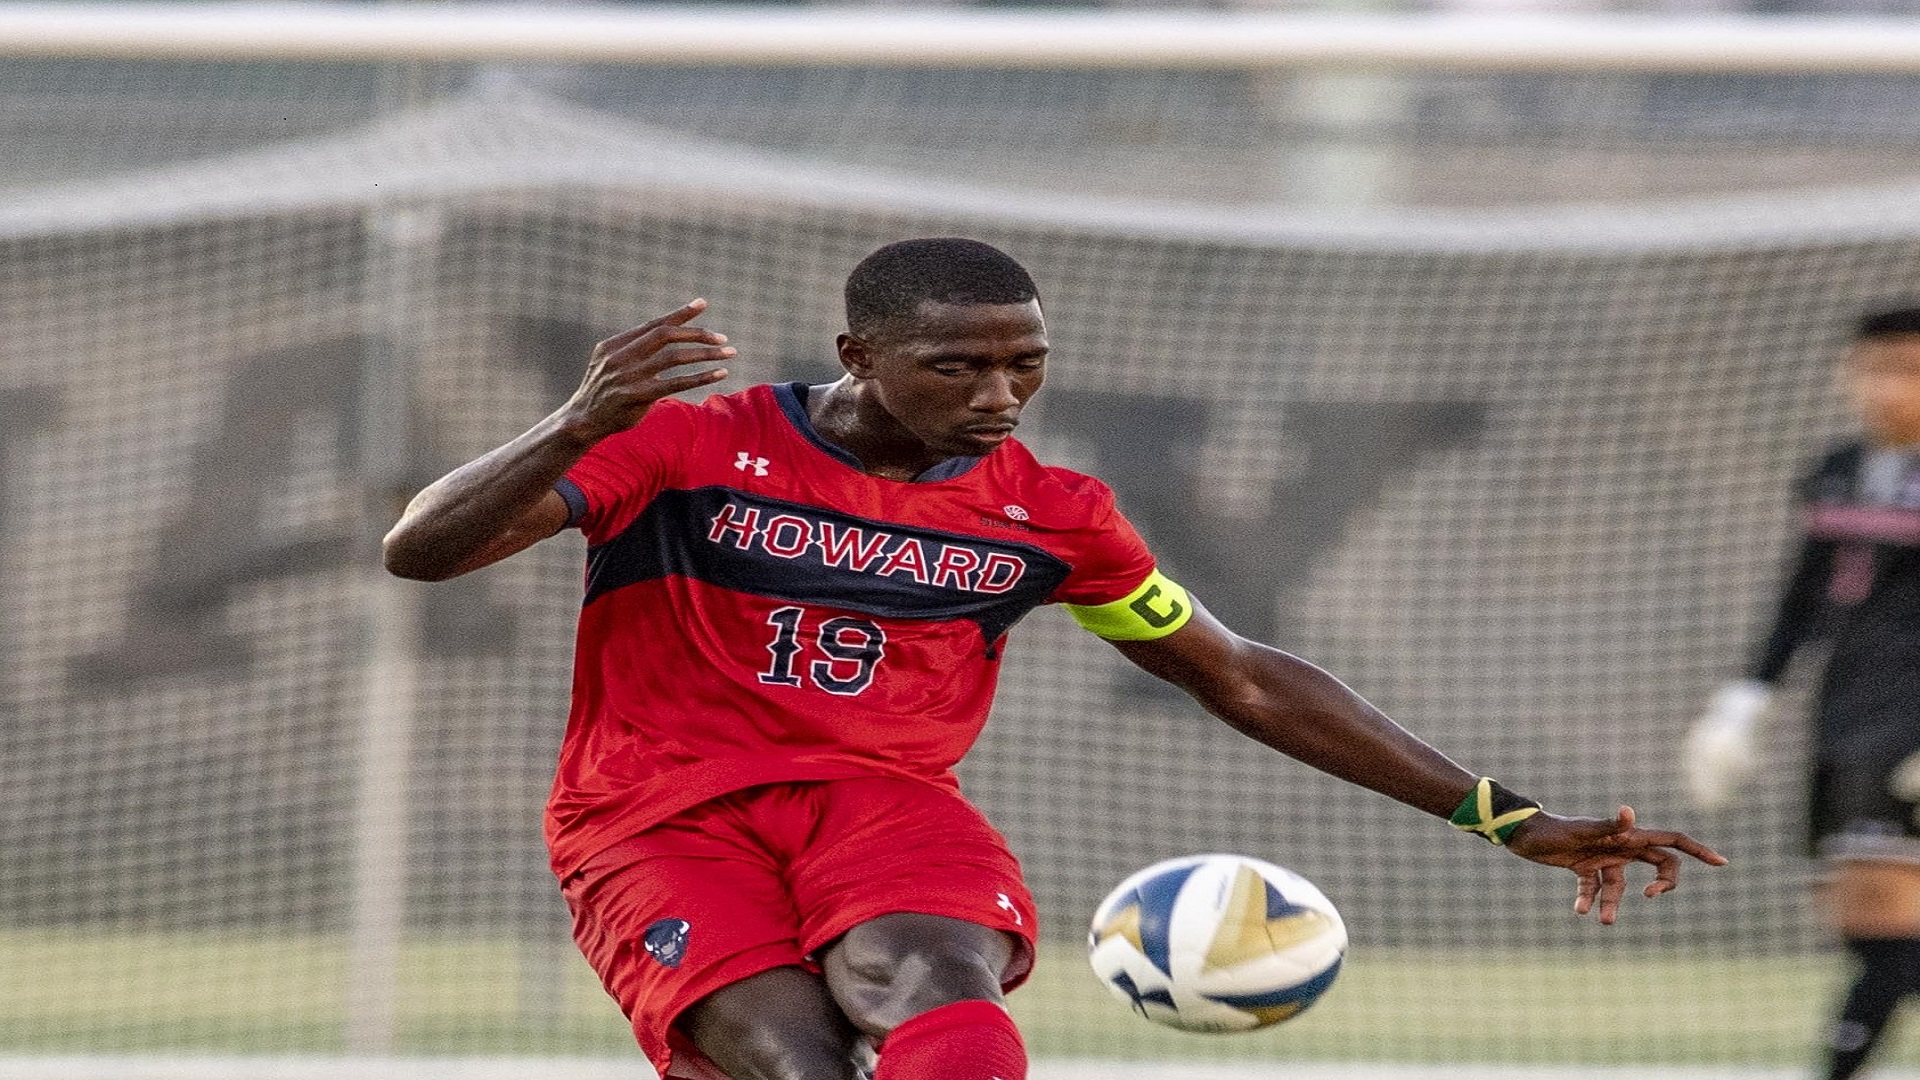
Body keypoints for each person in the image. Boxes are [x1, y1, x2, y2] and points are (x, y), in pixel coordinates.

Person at [386, 237, 1726, 1080]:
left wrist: (1505, 817)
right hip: (652, 820)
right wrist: (571, 424)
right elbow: (422, 551)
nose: (998, 396)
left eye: (1024, 365)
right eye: (956, 367)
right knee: (797, 1063)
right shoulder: (689, 445)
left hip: (884, 806)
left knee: (949, 1023)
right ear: (858, 356)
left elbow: (1239, 674)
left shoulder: (1051, 514)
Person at [1684, 306, 1920, 1080]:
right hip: (1843, 718)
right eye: (1876, 368)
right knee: (1862, 921)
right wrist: (1745, 701)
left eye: (1911, 371)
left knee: (1886, 912)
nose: (1890, 388)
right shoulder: (1838, 468)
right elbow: (1802, 599)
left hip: (1908, 723)